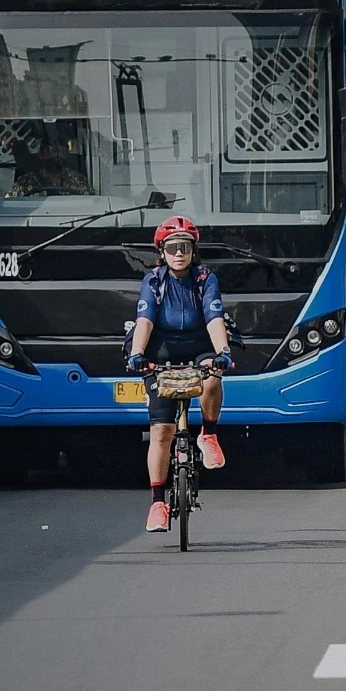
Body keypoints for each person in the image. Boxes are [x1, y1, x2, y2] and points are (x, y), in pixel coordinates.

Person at [126, 216, 232, 532]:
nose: (179, 254)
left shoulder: (205, 279)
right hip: (161, 351)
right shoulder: (153, 281)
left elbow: (214, 317)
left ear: (193, 250)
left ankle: (208, 434)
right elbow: (145, 320)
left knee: (213, 378)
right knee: (162, 431)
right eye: (172, 248)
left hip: (199, 345)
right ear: (162, 251)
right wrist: (137, 354)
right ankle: (158, 502)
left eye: (185, 247)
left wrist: (223, 352)